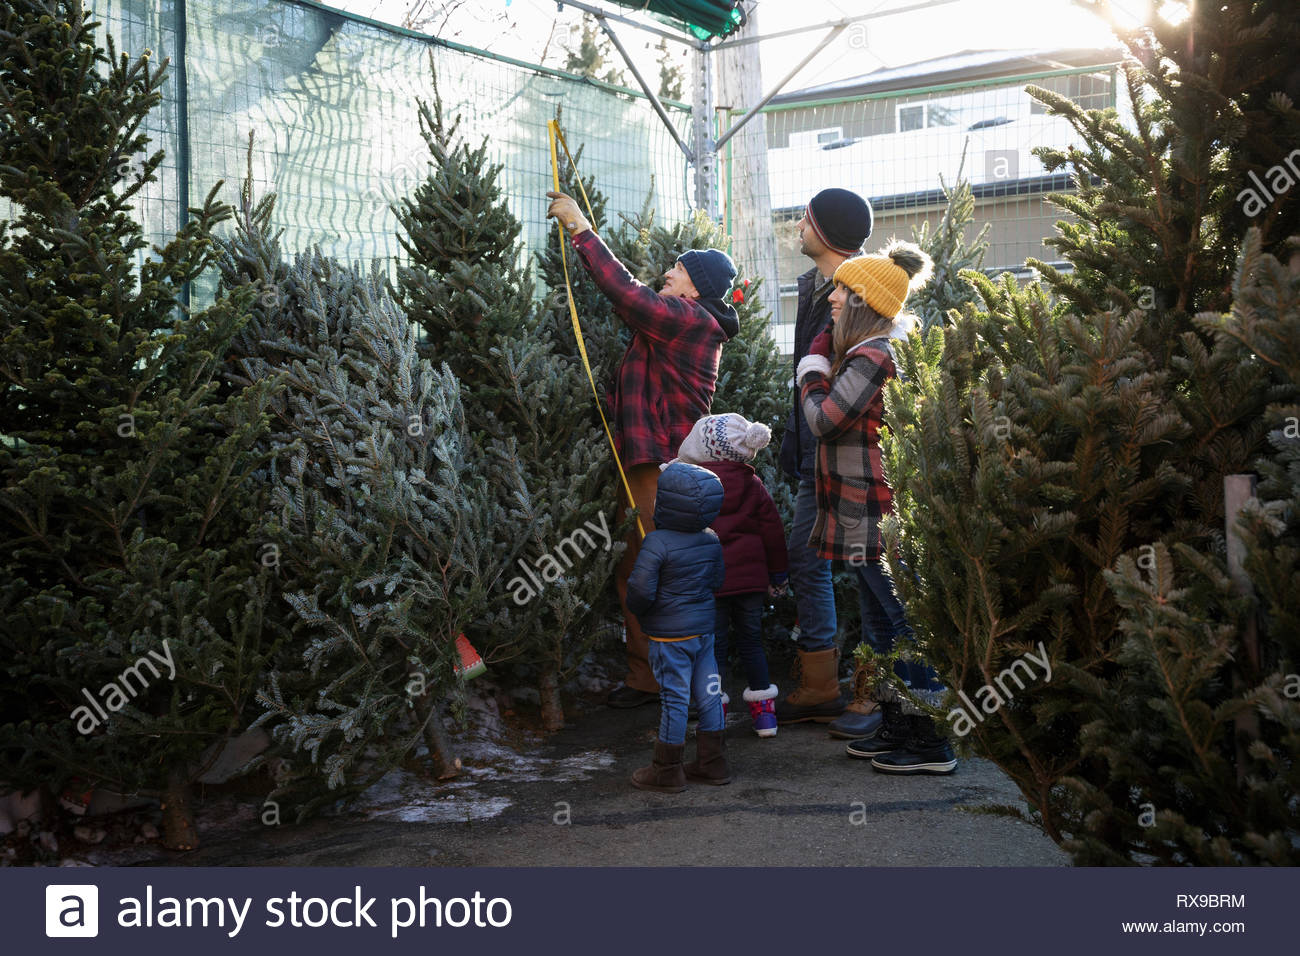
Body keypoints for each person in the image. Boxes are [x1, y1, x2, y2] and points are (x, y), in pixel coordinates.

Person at [545, 191, 739, 710]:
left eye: (676, 270)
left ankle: (687, 690)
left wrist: (581, 230)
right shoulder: (681, 319)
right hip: (644, 464)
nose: (667, 275)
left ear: (697, 287)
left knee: (663, 568)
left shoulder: (690, 320)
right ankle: (647, 678)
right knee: (636, 567)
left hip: (665, 467)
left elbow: (628, 294)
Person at [794, 241, 957, 775]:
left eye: (843, 290)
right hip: (859, 513)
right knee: (882, 627)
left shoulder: (875, 355)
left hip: (876, 513)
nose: (834, 298)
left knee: (903, 623)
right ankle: (899, 725)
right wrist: (823, 347)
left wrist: (810, 371)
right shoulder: (865, 350)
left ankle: (931, 740)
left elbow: (824, 419)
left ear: (865, 300)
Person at [775, 187, 874, 725]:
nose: (799, 226)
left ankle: (877, 693)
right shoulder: (816, 287)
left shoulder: (854, 291)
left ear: (827, 233)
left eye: (807, 219)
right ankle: (820, 686)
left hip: (850, 457)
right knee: (804, 559)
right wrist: (797, 443)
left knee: (868, 571)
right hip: (815, 450)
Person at [673, 413, 788, 737]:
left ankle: (714, 718)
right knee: (752, 642)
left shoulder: (691, 484)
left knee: (714, 649)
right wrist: (778, 575)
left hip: (709, 583)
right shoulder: (753, 484)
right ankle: (766, 719)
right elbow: (773, 532)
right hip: (750, 584)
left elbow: (679, 532)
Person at [624, 462, 730, 791]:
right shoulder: (711, 540)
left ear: (667, 504)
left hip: (669, 638)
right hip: (703, 632)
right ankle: (714, 764)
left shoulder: (656, 543)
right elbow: (717, 580)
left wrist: (640, 612)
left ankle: (667, 770)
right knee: (710, 694)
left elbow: (640, 590)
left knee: (675, 700)